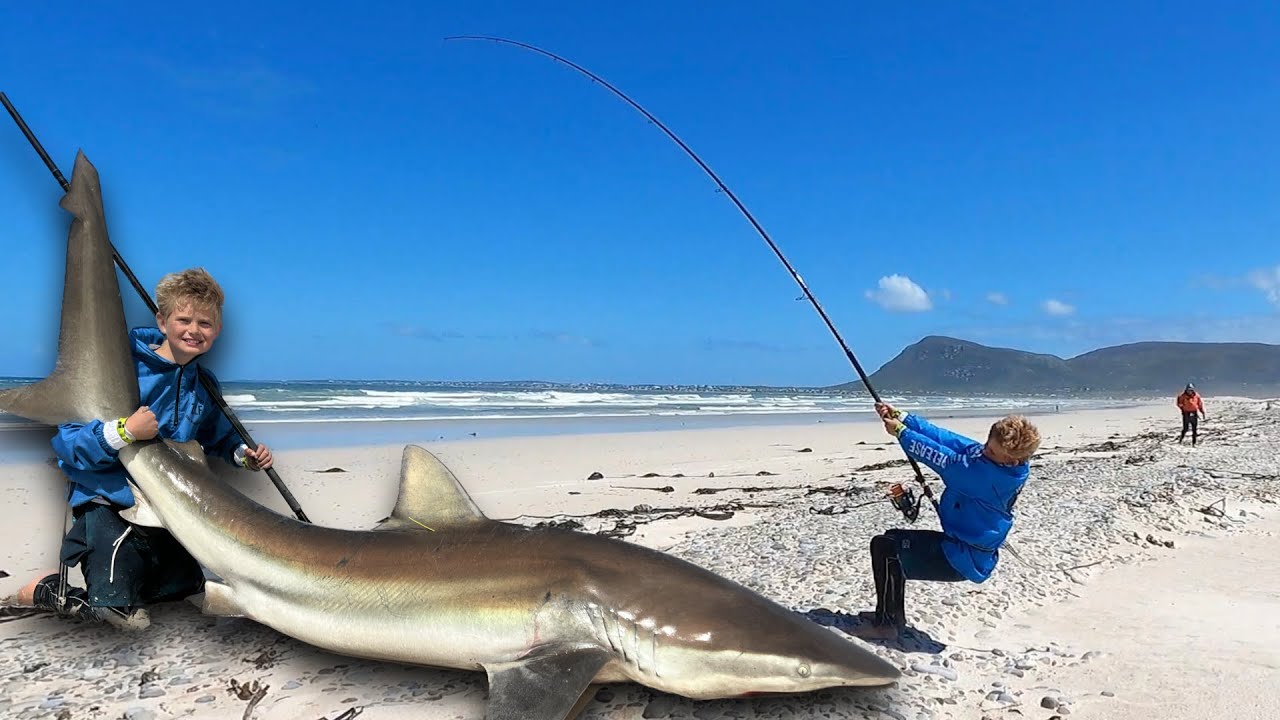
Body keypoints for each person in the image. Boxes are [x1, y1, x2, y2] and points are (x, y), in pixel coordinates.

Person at [16, 268, 273, 630]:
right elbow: (68, 444)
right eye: (183, 319)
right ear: (161, 320)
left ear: (217, 330)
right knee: (120, 615)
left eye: (205, 323)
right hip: (109, 504)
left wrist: (243, 455)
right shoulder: (121, 370)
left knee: (189, 592)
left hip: (166, 511)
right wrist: (123, 431)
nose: (193, 330)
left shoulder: (204, 383)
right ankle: (46, 590)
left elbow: (219, 437)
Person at [853, 404, 1040, 640]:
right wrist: (904, 417)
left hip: (962, 558)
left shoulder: (987, 477)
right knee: (892, 538)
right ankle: (891, 615)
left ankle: (887, 626)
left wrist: (901, 433)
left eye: (992, 452)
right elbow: (948, 439)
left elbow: (942, 458)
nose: (984, 452)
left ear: (1011, 460)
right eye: (986, 446)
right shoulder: (996, 460)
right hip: (960, 543)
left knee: (885, 546)